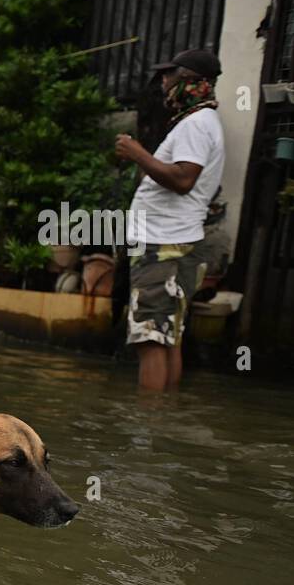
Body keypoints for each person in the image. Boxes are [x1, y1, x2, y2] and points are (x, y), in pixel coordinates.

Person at [115, 49, 225, 392]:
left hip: (163, 247)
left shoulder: (195, 125)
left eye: (170, 74)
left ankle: (145, 432)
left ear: (192, 81)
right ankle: (162, 426)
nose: (163, 82)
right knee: (168, 339)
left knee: (150, 339)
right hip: (176, 243)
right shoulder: (201, 122)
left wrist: (138, 153)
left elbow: (182, 179)